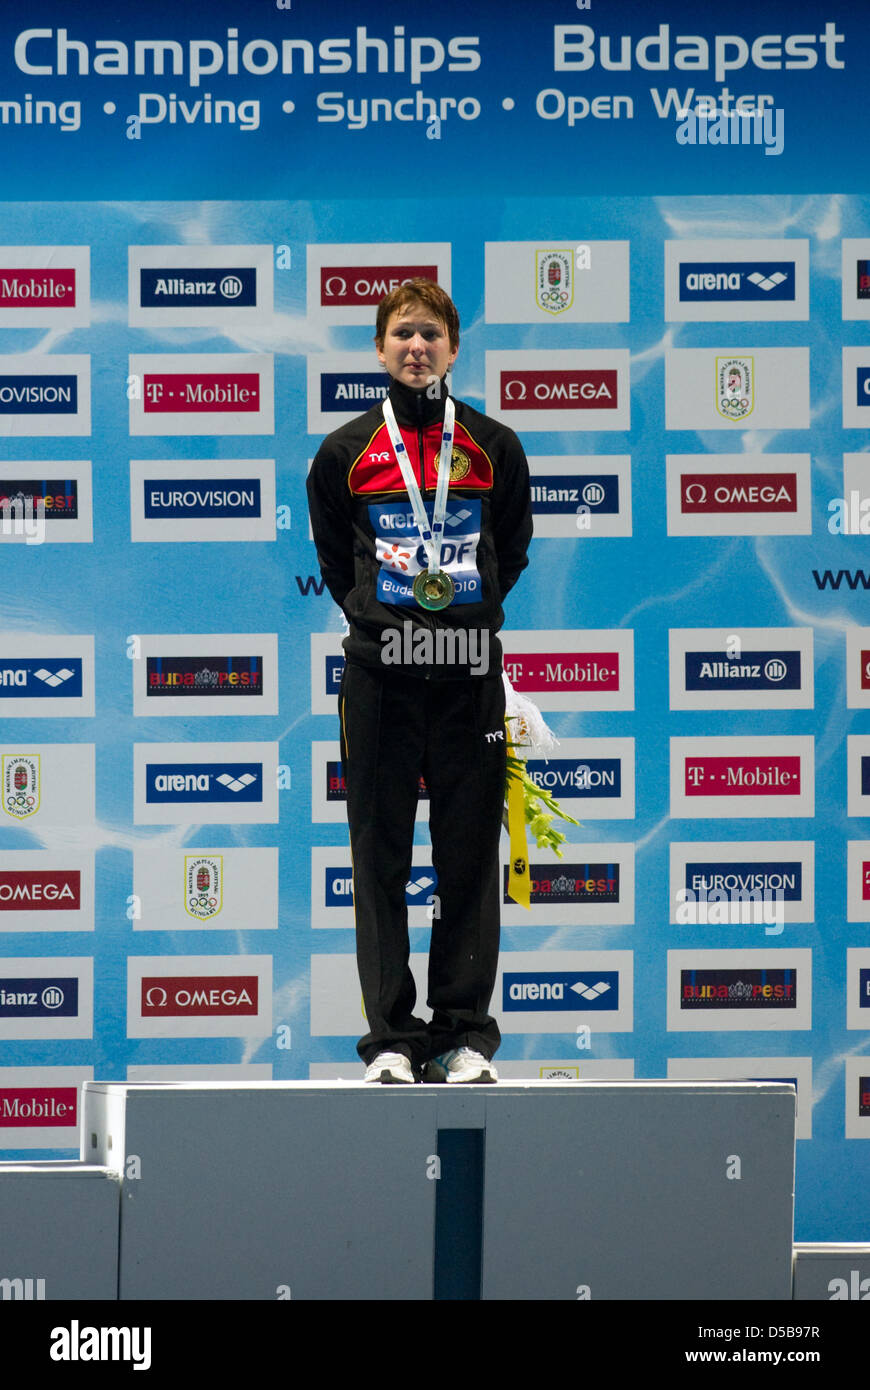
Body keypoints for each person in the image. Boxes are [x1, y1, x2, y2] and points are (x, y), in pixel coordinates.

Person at [307, 279, 532, 1084]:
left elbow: (510, 547)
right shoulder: (343, 452)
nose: (416, 347)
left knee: (469, 855)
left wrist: (462, 628)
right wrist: (388, 628)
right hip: (382, 681)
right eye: (402, 333)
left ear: (454, 347)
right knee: (381, 857)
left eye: (431, 334)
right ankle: (393, 1042)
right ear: (378, 347)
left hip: (469, 675)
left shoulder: (495, 445)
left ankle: (465, 1034)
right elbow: (339, 563)